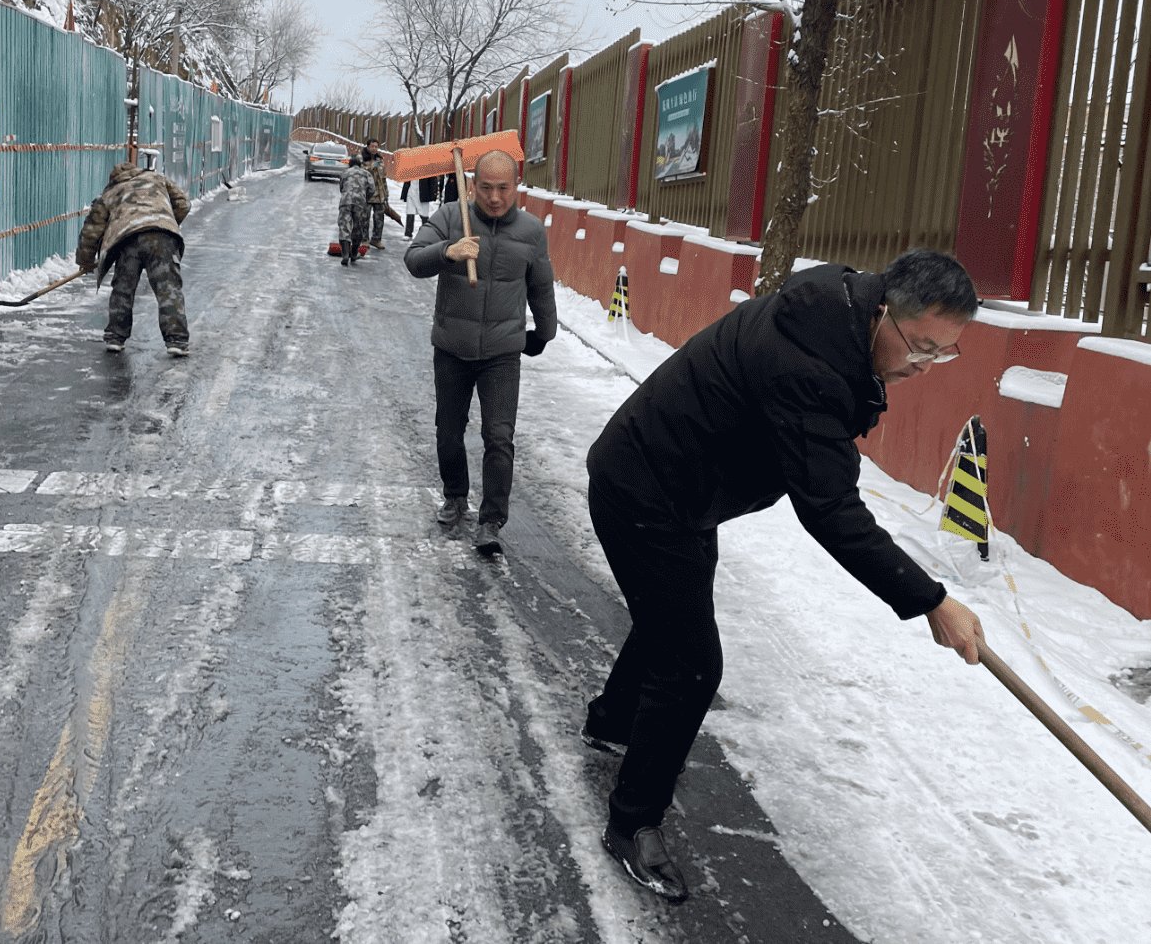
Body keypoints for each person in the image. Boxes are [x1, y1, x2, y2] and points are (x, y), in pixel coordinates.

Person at [581, 249, 987, 903]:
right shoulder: (813, 364)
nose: (923, 366)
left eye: (943, 354)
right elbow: (829, 509)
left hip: (679, 489)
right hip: (644, 490)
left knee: (673, 617)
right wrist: (931, 600)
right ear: (883, 309)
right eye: (921, 346)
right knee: (689, 665)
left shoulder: (837, 317)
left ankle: (610, 718)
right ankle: (630, 825)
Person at [404, 150, 556, 556]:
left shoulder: (531, 230)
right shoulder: (452, 218)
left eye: (503, 188)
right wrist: (447, 252)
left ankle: (491, 520)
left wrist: (545, 332)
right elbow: (413, 260)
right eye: (485, 188)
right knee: (448, 430)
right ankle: (455, 495)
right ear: (472, 186)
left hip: (502, 351)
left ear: (516, 187)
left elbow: (541, 284)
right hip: (452, 346)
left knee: (499, 436)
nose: (494, 197)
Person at [76, 159, 191, 356]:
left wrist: (86, 261)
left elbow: (92, 230)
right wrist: (166, 221)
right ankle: (177, 341)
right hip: (162, 238)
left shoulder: (110, 193)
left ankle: (115, 337)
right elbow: (183, 204)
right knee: (168, 290)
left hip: (127, 240)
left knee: (123, 289)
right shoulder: (157, 178)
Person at [337, 155, 372, 266]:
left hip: (346, 202)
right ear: (360, 164)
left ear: (349, 164)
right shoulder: (367, 174)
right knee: (358, 227)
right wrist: (365, 197)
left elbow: (341, 187)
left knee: (344, 226)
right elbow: (372, 189)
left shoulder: (345, 173)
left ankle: (345, 255)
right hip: (360, 203)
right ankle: (353, 254)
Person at [361, 138, 389, 250]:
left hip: (379, 195)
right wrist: (371, 167)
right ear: (368, 147)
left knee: (379, 219)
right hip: (367, 194)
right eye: (372, 146)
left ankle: (376, 239)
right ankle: (364, 240)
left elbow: (384, 178)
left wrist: (386, 193)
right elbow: (359, 172)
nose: (374, 148)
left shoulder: (380, 159)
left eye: (376, 147)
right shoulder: (361, 158)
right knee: (364, 218)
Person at [400, 175, 439, 239]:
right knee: (410, 212)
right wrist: (405, 192)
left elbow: (433, 179)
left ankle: (426, 233)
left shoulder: (427, 166)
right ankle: (408, 233)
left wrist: (433, 193)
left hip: (423, 192)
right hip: (411, 191)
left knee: (424, 214)